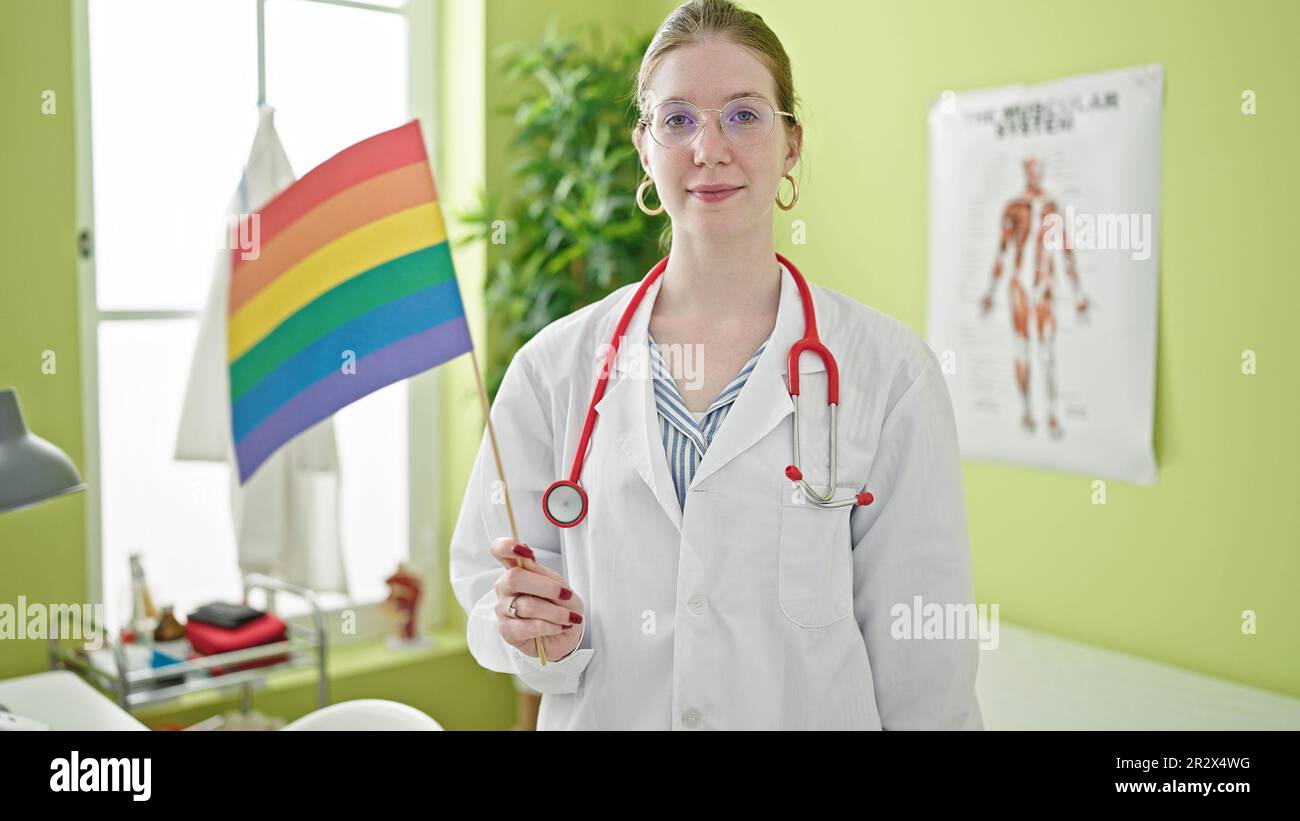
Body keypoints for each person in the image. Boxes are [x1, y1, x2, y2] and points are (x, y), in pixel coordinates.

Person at [450, 0, 982, 730]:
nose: (709, 147)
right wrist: (529, 629)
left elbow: (927, 669)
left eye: (744, 115)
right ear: (644, 148)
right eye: (677, 119)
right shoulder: (553, 370)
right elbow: (488, 588)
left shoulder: (890, 373)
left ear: (791, 144)